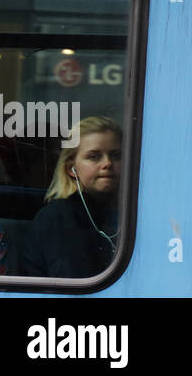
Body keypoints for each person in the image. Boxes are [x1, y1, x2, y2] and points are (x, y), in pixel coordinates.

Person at [21, 116, 123, 278]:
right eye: (94, 156)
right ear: (71, 169)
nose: (107, 163)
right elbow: (74, 285)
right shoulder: (59, 216)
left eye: (116, 155)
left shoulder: (129, 212)